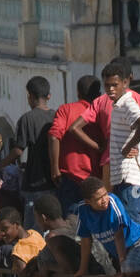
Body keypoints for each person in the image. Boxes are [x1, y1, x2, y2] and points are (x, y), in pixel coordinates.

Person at [69, 60, 140, 226]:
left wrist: (126, 147)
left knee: (126, 218)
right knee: (119, 217)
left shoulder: (124, 102)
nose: (111, 89)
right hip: (119, 168)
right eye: (108, 86)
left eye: (114, 85)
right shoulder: (126, 102)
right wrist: (137, 146)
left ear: (125, 82)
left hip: (124, 170)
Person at [0, 76, 55, 220]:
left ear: (29, 96)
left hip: (34, 183)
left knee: (32, 230)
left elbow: (18, 150)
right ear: (49, 96)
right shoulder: (56, 116)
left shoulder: (27, 119)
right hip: (54, 182)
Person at [48, 76, 103, 215]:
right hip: (97, 180)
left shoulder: (66, 110)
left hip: (70, 180)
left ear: (78, 93)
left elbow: (54, 136)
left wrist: (54, 169)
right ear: (99, 94)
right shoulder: (102, 113)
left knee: (72, 227)